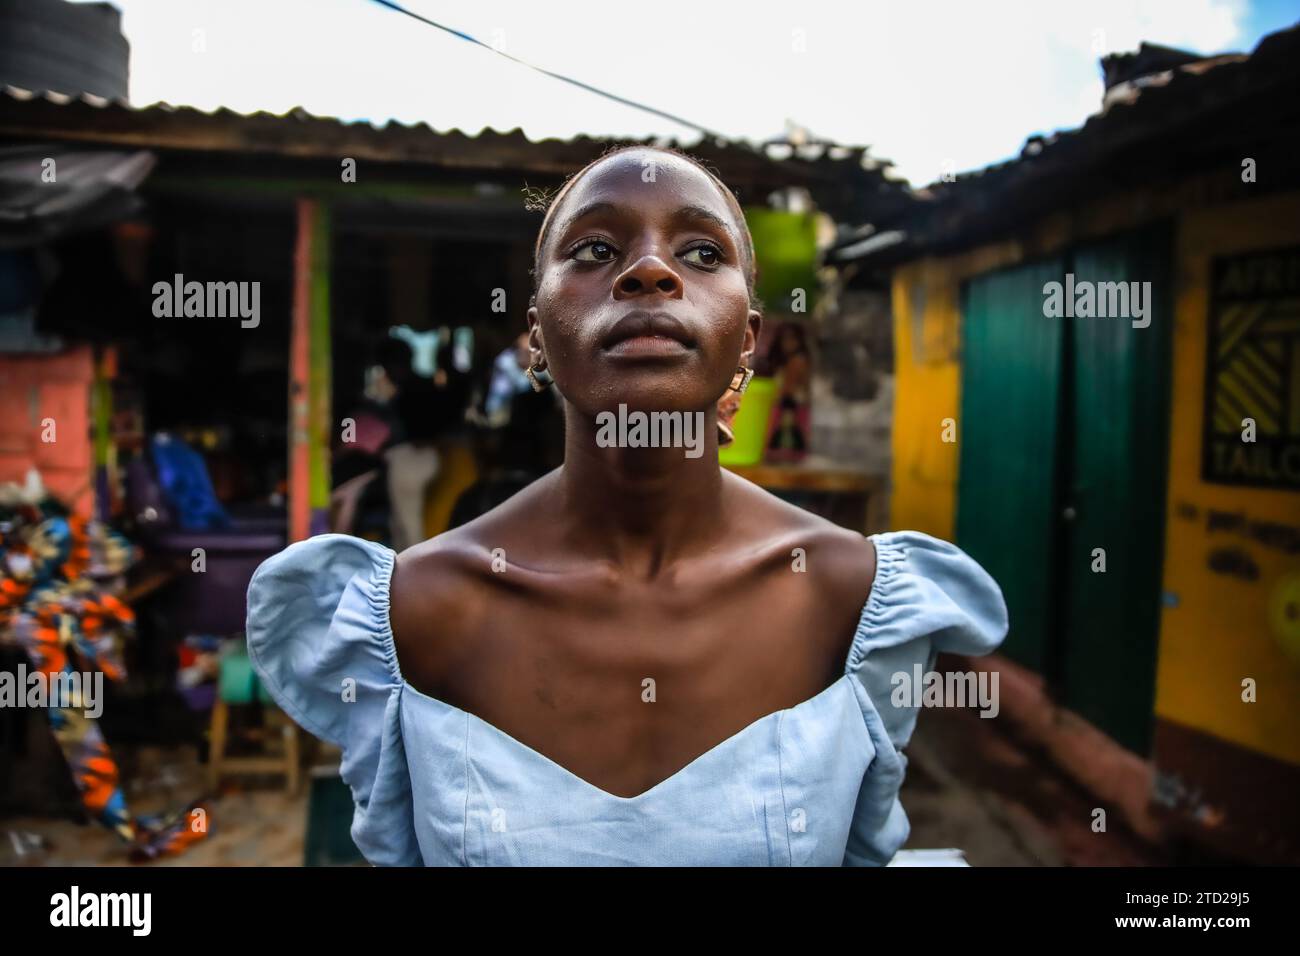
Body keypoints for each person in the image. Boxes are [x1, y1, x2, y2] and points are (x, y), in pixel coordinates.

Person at [245, 146, 1008, 866]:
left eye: (702, 254)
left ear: (747, 340)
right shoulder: (417, 609)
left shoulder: (850, 596)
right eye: (595, 251)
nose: (650, 270)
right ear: (536, 336)